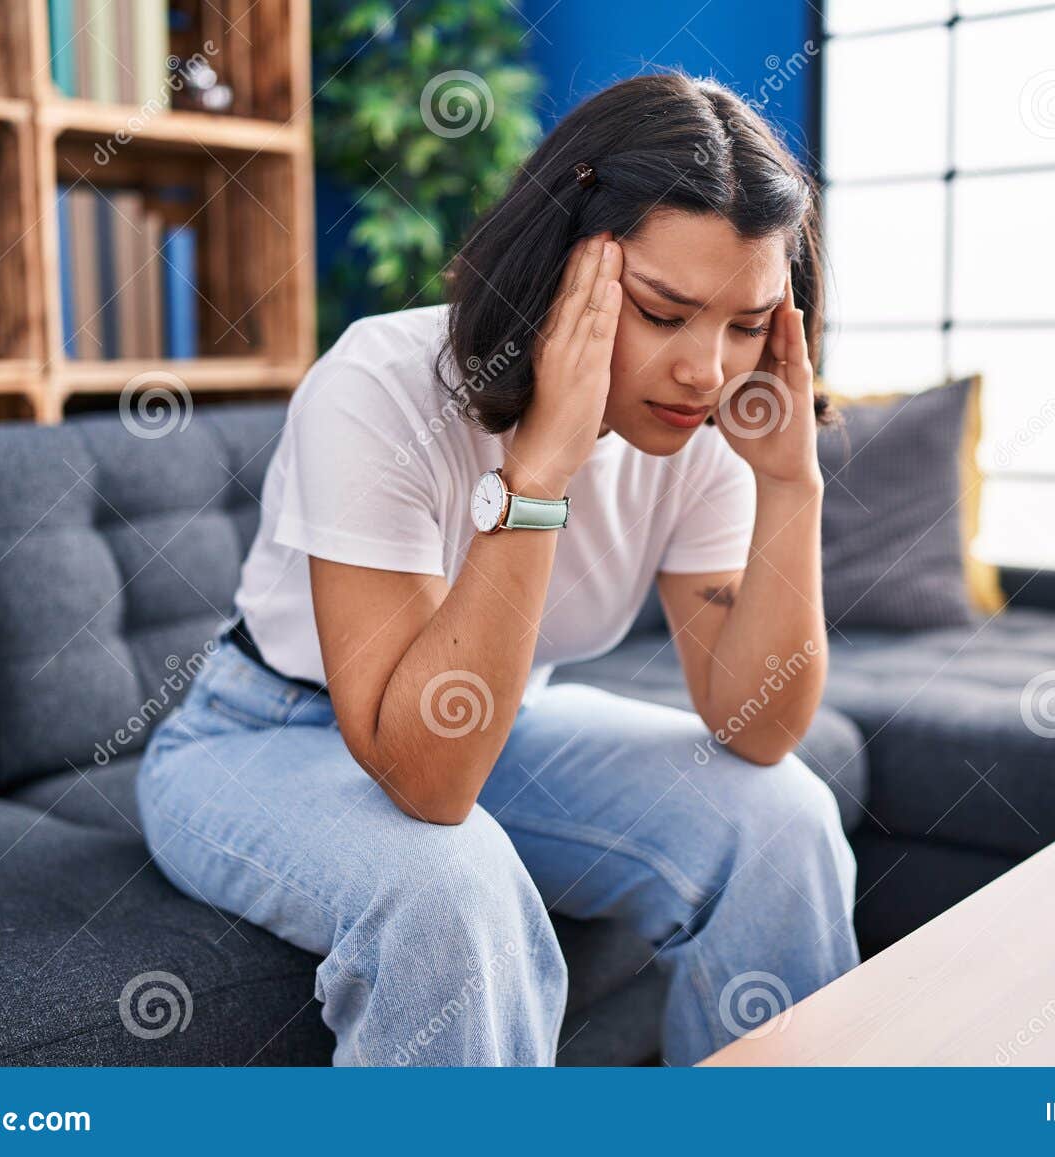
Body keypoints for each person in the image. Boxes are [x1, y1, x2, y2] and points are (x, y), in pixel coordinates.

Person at [135, 71, 859, 1066]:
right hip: (259, 737)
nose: (707, 369)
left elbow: (759, 725)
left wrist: (790, 486)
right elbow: (430, 779)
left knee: (785, 819)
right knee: (450, 885)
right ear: (564, 270)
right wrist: (540, 467)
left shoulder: (705, 420)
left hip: (504, 722)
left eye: (745, 324)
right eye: (662, 310)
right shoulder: (379, 386)